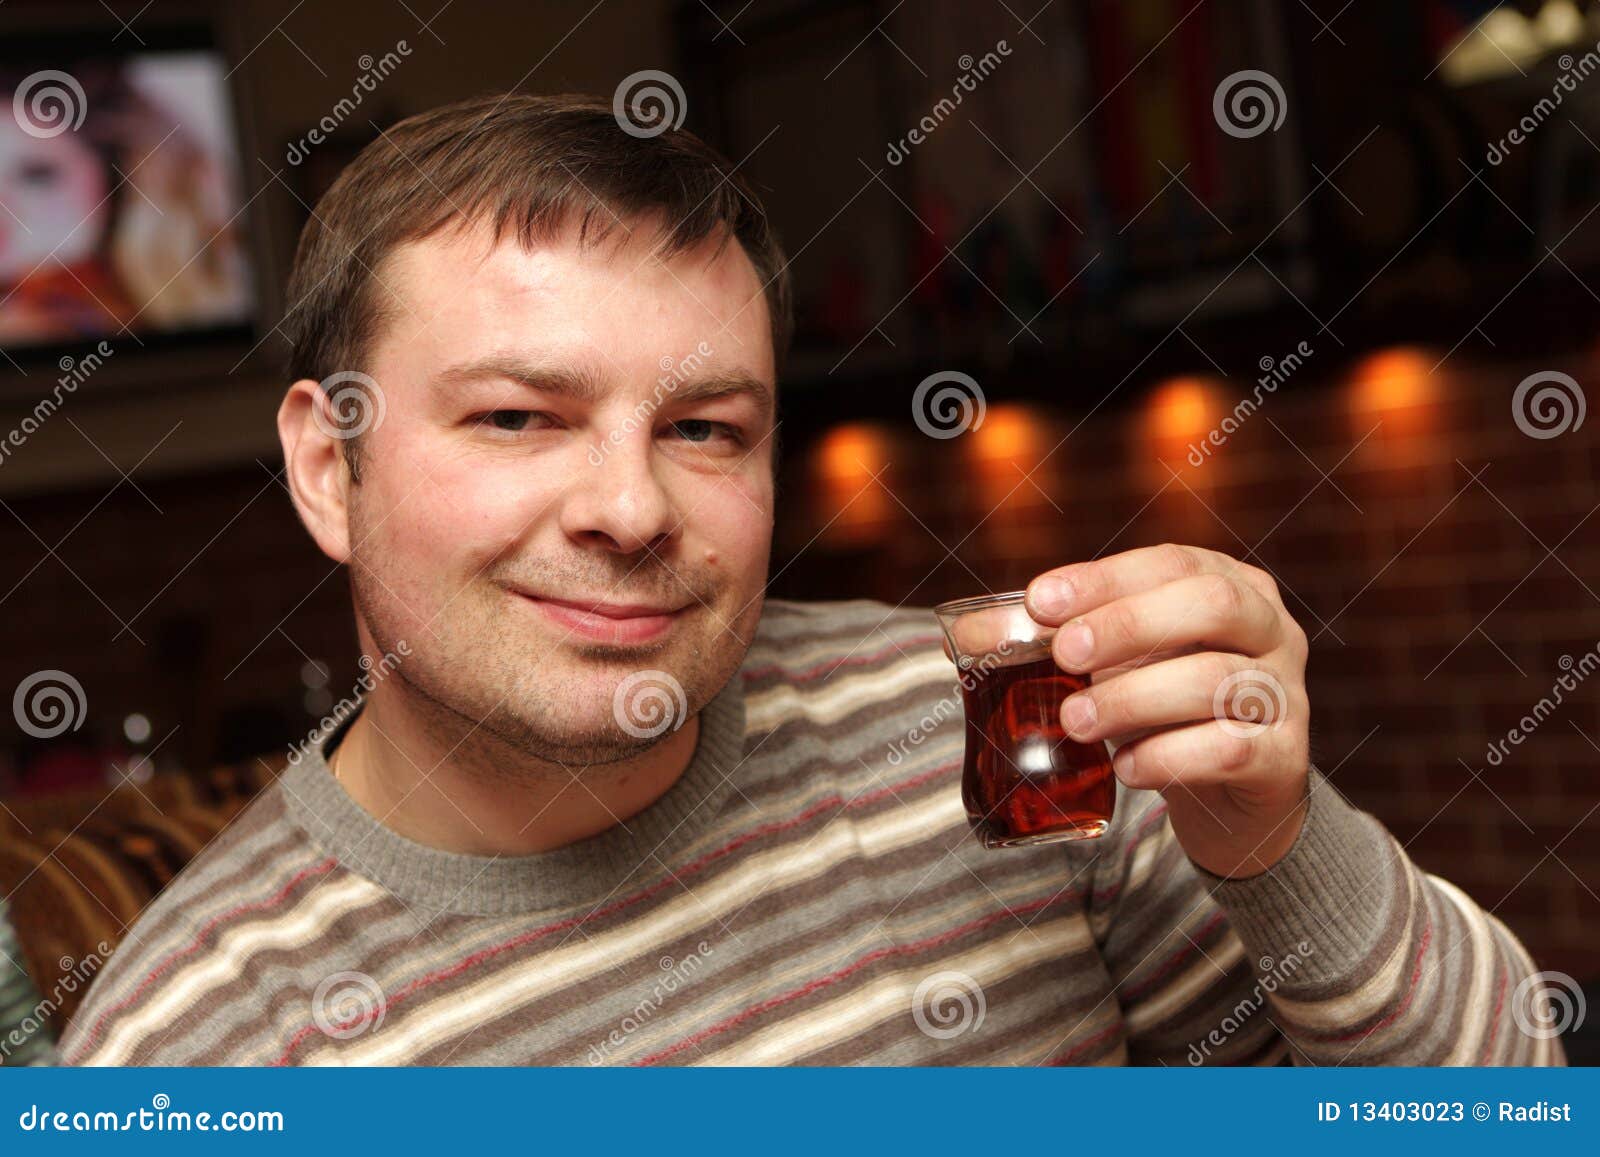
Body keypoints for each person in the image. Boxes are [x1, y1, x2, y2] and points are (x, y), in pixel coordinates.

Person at [60, 93, 1563, 1066]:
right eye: (519, 415)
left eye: (706, 426)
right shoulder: (196, 1042)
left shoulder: (985, 731)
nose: (633, 506)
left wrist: (1278, 845)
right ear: (332, 465)